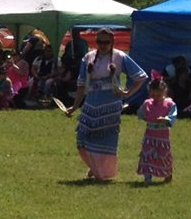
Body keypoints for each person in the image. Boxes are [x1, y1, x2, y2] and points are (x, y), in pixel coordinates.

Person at [65, 27, 147, 181]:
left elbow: (140, 76)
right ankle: (95, 168)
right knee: (83, 137)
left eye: (106, 42)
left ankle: (101, 172)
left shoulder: (119, 57)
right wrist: (75, 106)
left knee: (105, 138)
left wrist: (128, 93)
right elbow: (81, 84)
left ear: (112, 42)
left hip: (110, 102)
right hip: (91, 102)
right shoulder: (88, 57)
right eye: (99, 42)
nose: (102, 45)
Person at [137, 78, 176, 185]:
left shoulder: (169, 104)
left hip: (162, 135)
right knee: (147, 154)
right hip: (150, 135)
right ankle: (147, 177)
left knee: (163, 154)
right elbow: (140, 113)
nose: (155, 98)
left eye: (158, 95)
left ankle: (167, 172)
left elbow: (173, 115)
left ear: (165, 92)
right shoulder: (147, 103)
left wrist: (166, 119)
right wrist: (146, 118)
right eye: (153, 95)